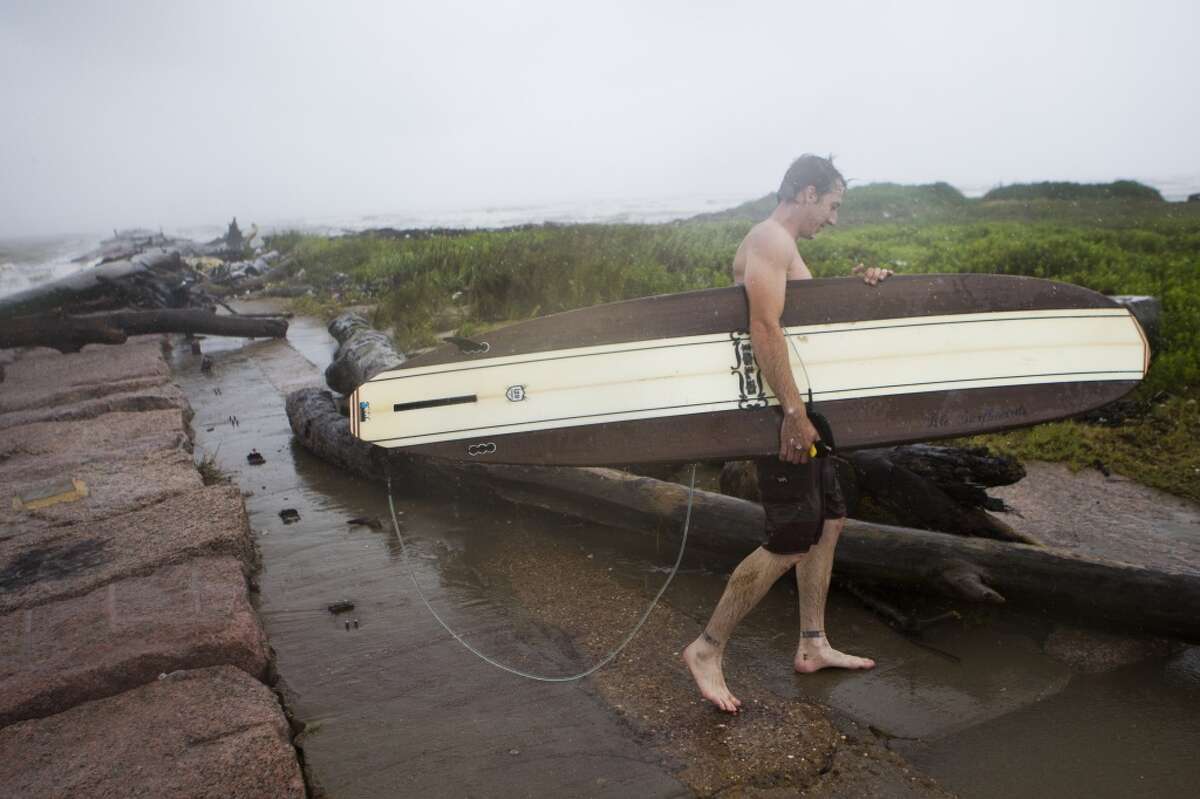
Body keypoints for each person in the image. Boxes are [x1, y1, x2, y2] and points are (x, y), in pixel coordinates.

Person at [682, 154, 892, 713]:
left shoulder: (784, 246)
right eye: (832, 204)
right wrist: (793, 416)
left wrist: (859, 287)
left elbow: (799, 319)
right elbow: (763, 326)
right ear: (806, 192)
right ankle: (706, 648)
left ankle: (813, 643)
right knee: (792, 536)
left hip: (800, 406)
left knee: (829, 518)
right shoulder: (769, 239)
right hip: (779, 412)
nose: (834, 218)